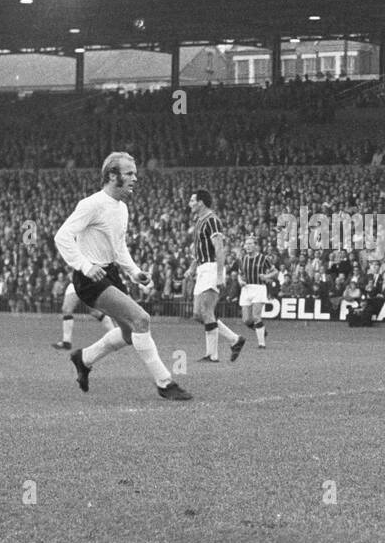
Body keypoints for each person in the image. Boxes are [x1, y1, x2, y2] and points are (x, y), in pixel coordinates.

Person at [54, 152, 190, 400]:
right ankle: (165, 382)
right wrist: (85, 266)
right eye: (129, 173)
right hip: (90, 279)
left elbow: (119, 247)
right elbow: (62, 236)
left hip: (110, 273)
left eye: (135, 173)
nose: (135, 178)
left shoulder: (122, 208)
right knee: (141, 319)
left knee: (129, 333)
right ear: (111, 175)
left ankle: (83, 359)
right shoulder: (91, 204)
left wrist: (134, 271)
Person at [185, 188, 243, 363]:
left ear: (201, 202)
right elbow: (199, 250)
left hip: (211, 267)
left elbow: (219, 248)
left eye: (192, 200)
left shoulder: (212, 220)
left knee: (206, 311)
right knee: (197, 314)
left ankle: (212, 354)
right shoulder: (199, 222)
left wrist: (219, 274)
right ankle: (234, 339)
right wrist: (193, 267)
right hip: (203, 268)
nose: (190, 203)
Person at [237, 234, 278, 349]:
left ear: (255, 246)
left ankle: (261, 344)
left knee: (256, 316)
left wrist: (266, 276)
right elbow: (240, 275)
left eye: (250, 244)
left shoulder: (263, 258)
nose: (248, 246)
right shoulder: (242, 259)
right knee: (246, 320)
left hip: (259, 288)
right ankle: (262, 330)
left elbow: (275, 271)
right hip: (246, 289)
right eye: (246, 244)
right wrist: (240, 281)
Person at [52, 282, 117, 350]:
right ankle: (66, 342)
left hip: (85, 282)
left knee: (95, 312)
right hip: (75, 283)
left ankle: (114, 335)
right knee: (66, 309)